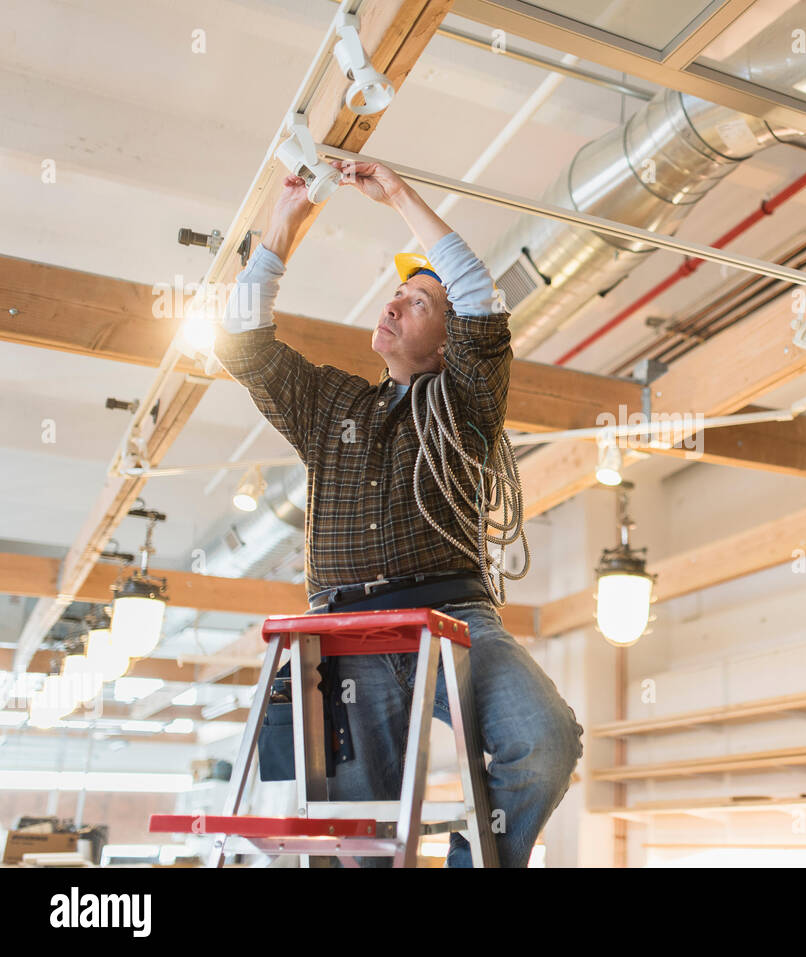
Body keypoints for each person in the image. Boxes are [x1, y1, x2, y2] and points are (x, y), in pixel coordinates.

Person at [213, 160, 584, 868]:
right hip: (347, 633)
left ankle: (474, 861)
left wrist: (401, 197)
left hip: (456, 624)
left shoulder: (467, 402)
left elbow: (479, 297)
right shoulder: (329, 406)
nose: (392, 305)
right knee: (364, 846)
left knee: (543, 742)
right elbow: (242, 342)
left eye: (416, 301)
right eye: (396, 294)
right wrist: (281, 230)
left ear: (450, 342)